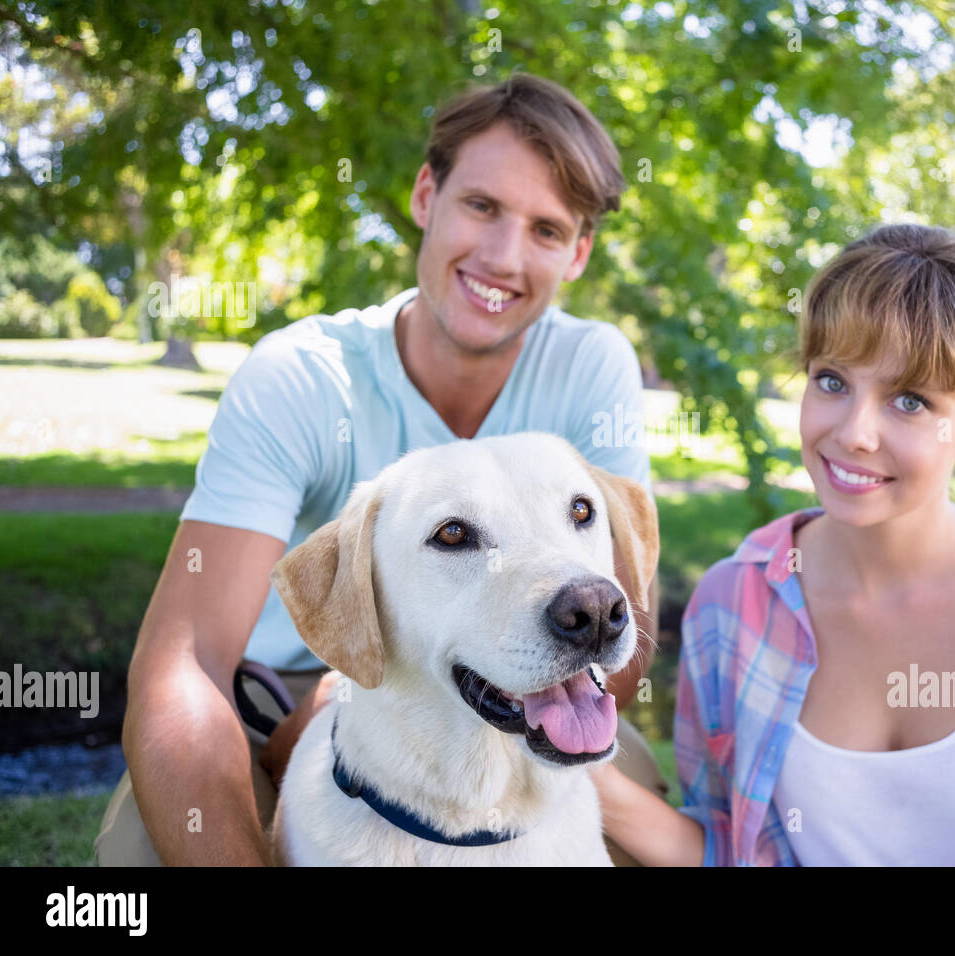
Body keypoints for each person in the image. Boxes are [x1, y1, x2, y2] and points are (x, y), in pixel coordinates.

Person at [96, 73, 666, 866]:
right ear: (427, 195)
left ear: (578, 253)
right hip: (293, 693)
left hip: (542, 686)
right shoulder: (301, 376)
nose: (503, 256)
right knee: (145, 857)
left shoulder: (592, 365)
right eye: (482, 206)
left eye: (545, 228)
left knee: (627, 824)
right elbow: (184, 666)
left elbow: (616, 619)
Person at [592, 222, 955, 866]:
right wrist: (586, 777)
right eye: (833, 381)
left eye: (909, 400)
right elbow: (733, 849)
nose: (854, 433)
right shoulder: (731, 604)